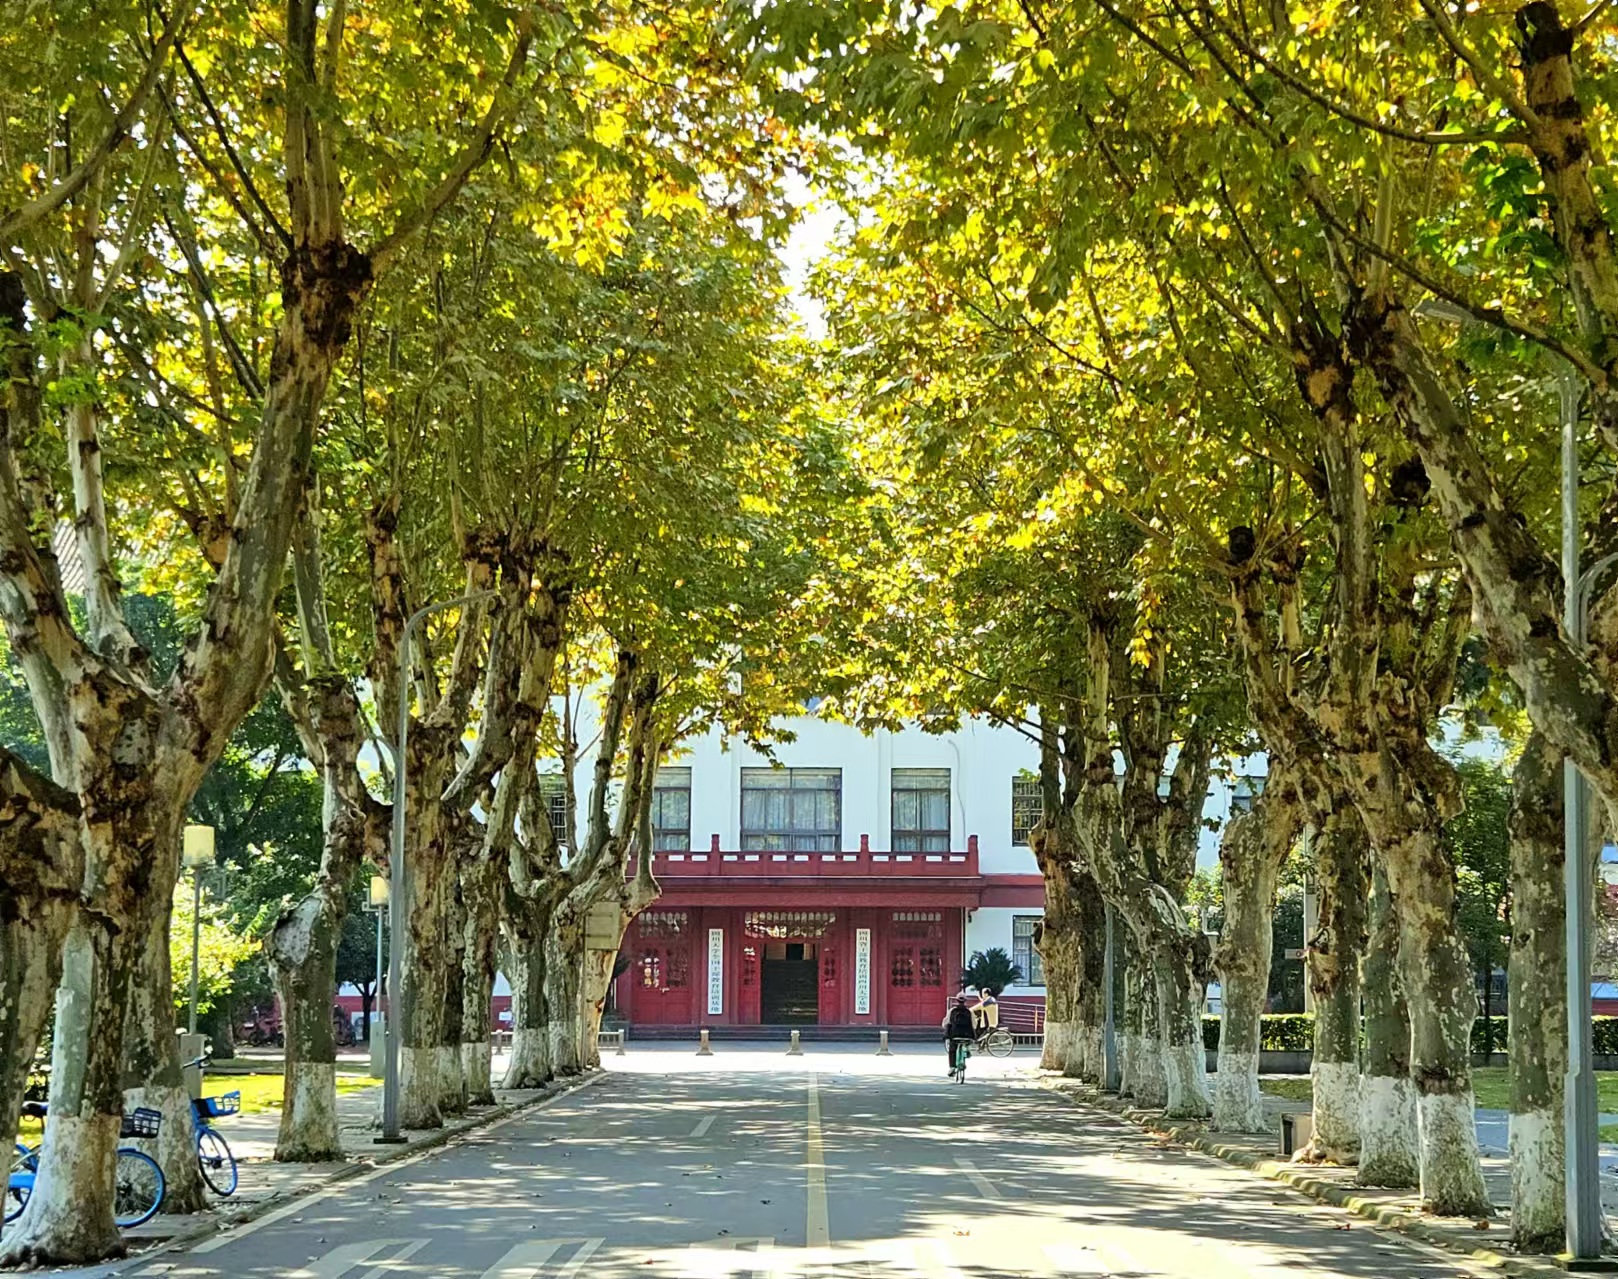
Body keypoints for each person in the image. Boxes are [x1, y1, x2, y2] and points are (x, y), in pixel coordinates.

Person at [943, 994, 976, 1073]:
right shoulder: (969, 1011)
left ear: (957, 1000)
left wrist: (945, 1028)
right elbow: (974, 1024)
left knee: (952, 1049)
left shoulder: (952, 1011)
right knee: (968, 1042)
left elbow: (946, 1022)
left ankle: (952, 1067)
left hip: (955, 1035)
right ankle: (966, 1050)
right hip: (967, 1035)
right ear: (965, 1001)